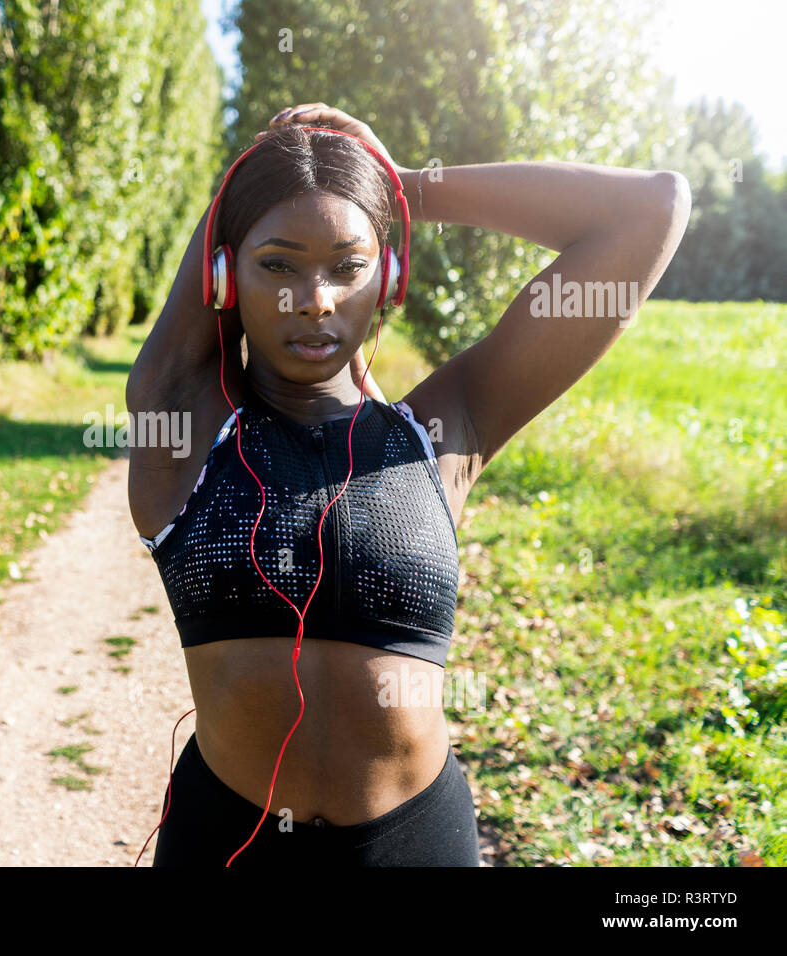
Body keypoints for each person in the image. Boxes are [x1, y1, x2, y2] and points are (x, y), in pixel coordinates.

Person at [125, 103, 691, 866]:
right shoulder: (182, 427)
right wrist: (275, 159)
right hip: (228, 841)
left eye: (348, 264)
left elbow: (651, 208)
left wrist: (403, 189)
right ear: (224, 276)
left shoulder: (443, 433)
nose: (316, 299)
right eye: (279, 264)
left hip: (417, 843)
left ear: (386, 275)